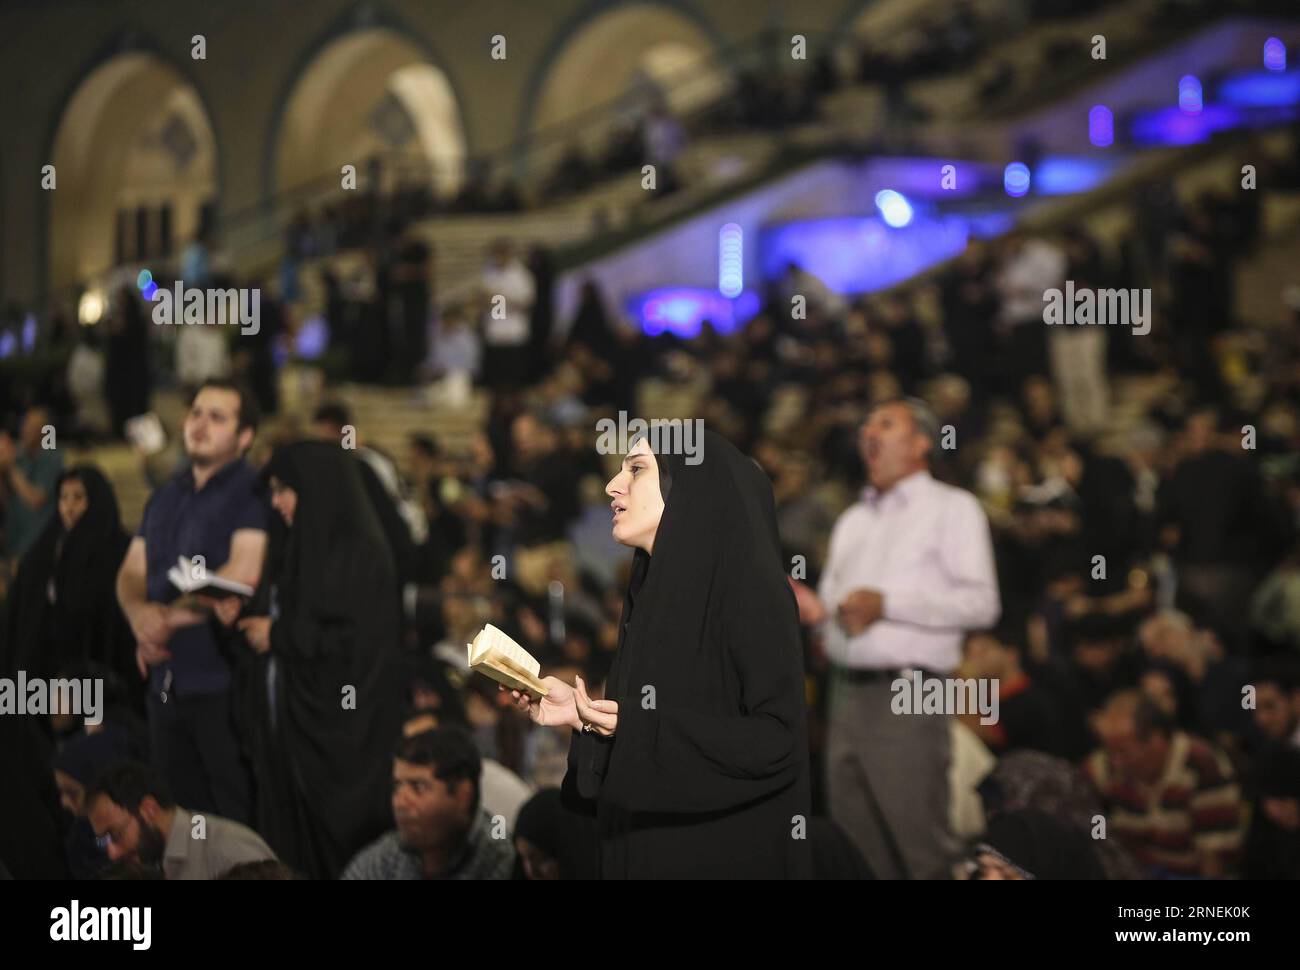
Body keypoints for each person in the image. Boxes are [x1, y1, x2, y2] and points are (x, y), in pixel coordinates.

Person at [507, 429, 813, 878]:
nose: (613, 485)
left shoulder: (752, 590)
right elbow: (643, 735)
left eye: (636, 470)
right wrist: (586, 717)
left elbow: (777, 741)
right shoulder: (647, 597)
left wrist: (636, 727)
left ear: (685, 488)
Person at [814, 397, 1000, 879]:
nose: (867, 431)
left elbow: (982, 603)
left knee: (921, 851)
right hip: (844, 691)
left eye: (885, 422)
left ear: (922, 443)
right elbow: (831, 606)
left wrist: (888, 604)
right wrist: (818, 616)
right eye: (866, 423)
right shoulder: (853, 519)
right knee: (857, 852)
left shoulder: (952, 508)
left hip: (911, 691)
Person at [235, 440, 403, 879]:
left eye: (285, 490)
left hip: (343, 747)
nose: (277, 503)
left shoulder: (361, 556)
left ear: (316, 489)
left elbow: (354, 645)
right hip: (290, 738)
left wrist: (281, 635)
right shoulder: (296, 548)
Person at [115, 380, 268, 825]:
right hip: (164, 683)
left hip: (222, 683)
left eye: (217, 417)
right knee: (175, 823)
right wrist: (140, 616)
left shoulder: (253, 491)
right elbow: (129, 572)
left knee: (232, 824)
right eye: (196, 413)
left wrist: (169, 620)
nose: (200, 424)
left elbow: (244, 572)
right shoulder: (166, 494)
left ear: (244, 437)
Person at [1085, 690, 1243, 878]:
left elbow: (1214, 857)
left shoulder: (1202, 765)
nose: (1115, 761)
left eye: (1123, 751)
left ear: (1156, 740)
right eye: (1109, 750)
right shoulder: (1100, 768)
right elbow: (1094, 837)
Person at [2, 466, 135, 688]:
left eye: (78, 497)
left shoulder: (117, 549)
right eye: (63, 498)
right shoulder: (46, 547)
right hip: (48, 669)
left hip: (100, 666)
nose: (69, 507)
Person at [341, 728, 515, 880]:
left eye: (418, 787)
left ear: (463, 796)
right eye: (397, 786)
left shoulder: (500, 858)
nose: (399, 802)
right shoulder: (390, 854)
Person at [86, 761, 277, 880]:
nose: (112, 853)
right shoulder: (152, 860)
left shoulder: (227, 850)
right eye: (104, 841)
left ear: (148, 809)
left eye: (116, 835)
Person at [0, 404, 63, 566]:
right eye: (25, 424)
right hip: (15, 541)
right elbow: (6, 501)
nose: (26, 430)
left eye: (33, 427)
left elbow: (36, 500)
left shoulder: (52, 459)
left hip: (40, 545)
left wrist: (10, 466)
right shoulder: (21, 459)